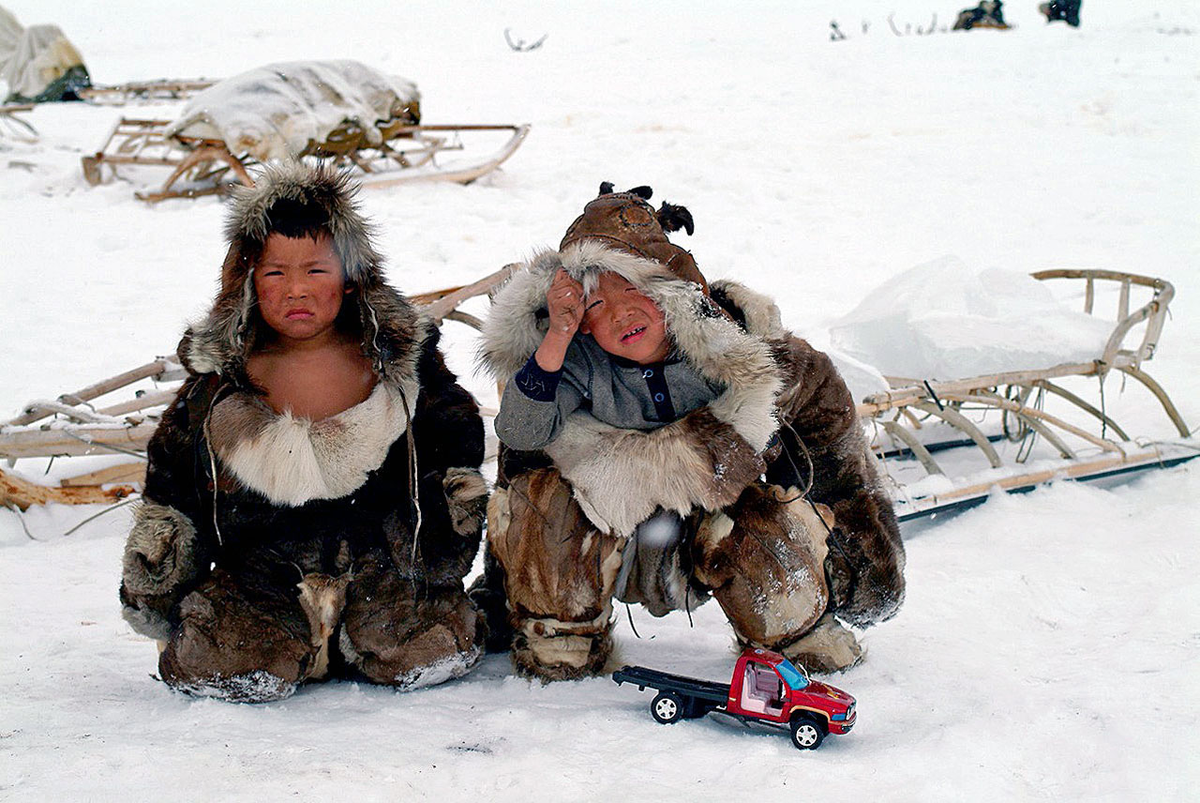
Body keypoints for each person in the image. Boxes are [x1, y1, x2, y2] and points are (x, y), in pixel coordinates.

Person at [472, 183, 906, 681]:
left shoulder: (752, 357)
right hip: (609, 537)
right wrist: (555, 338)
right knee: (547, 500)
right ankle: (563, 636)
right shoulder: (573, 365)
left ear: (671, 290)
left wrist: (864, 560)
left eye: (634, 288)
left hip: (717, 534)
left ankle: (792, 630)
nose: (620, 312)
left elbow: (836, 460)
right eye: (594, 305)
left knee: (769, 512)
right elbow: (521, 438)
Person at [119, 163, 488, 702]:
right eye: (274, 274)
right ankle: (276, 635)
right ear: (246, 282)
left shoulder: (397, 363)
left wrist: (444, 513)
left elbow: (452, 429)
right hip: (262, 568)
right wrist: (161, 568)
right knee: (224, 665)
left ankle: (360, 632)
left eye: (316, 271)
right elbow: (173, 473)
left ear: (350, 276)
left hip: (377, 559)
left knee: (429, 647)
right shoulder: (222, 380)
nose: (296, 290)